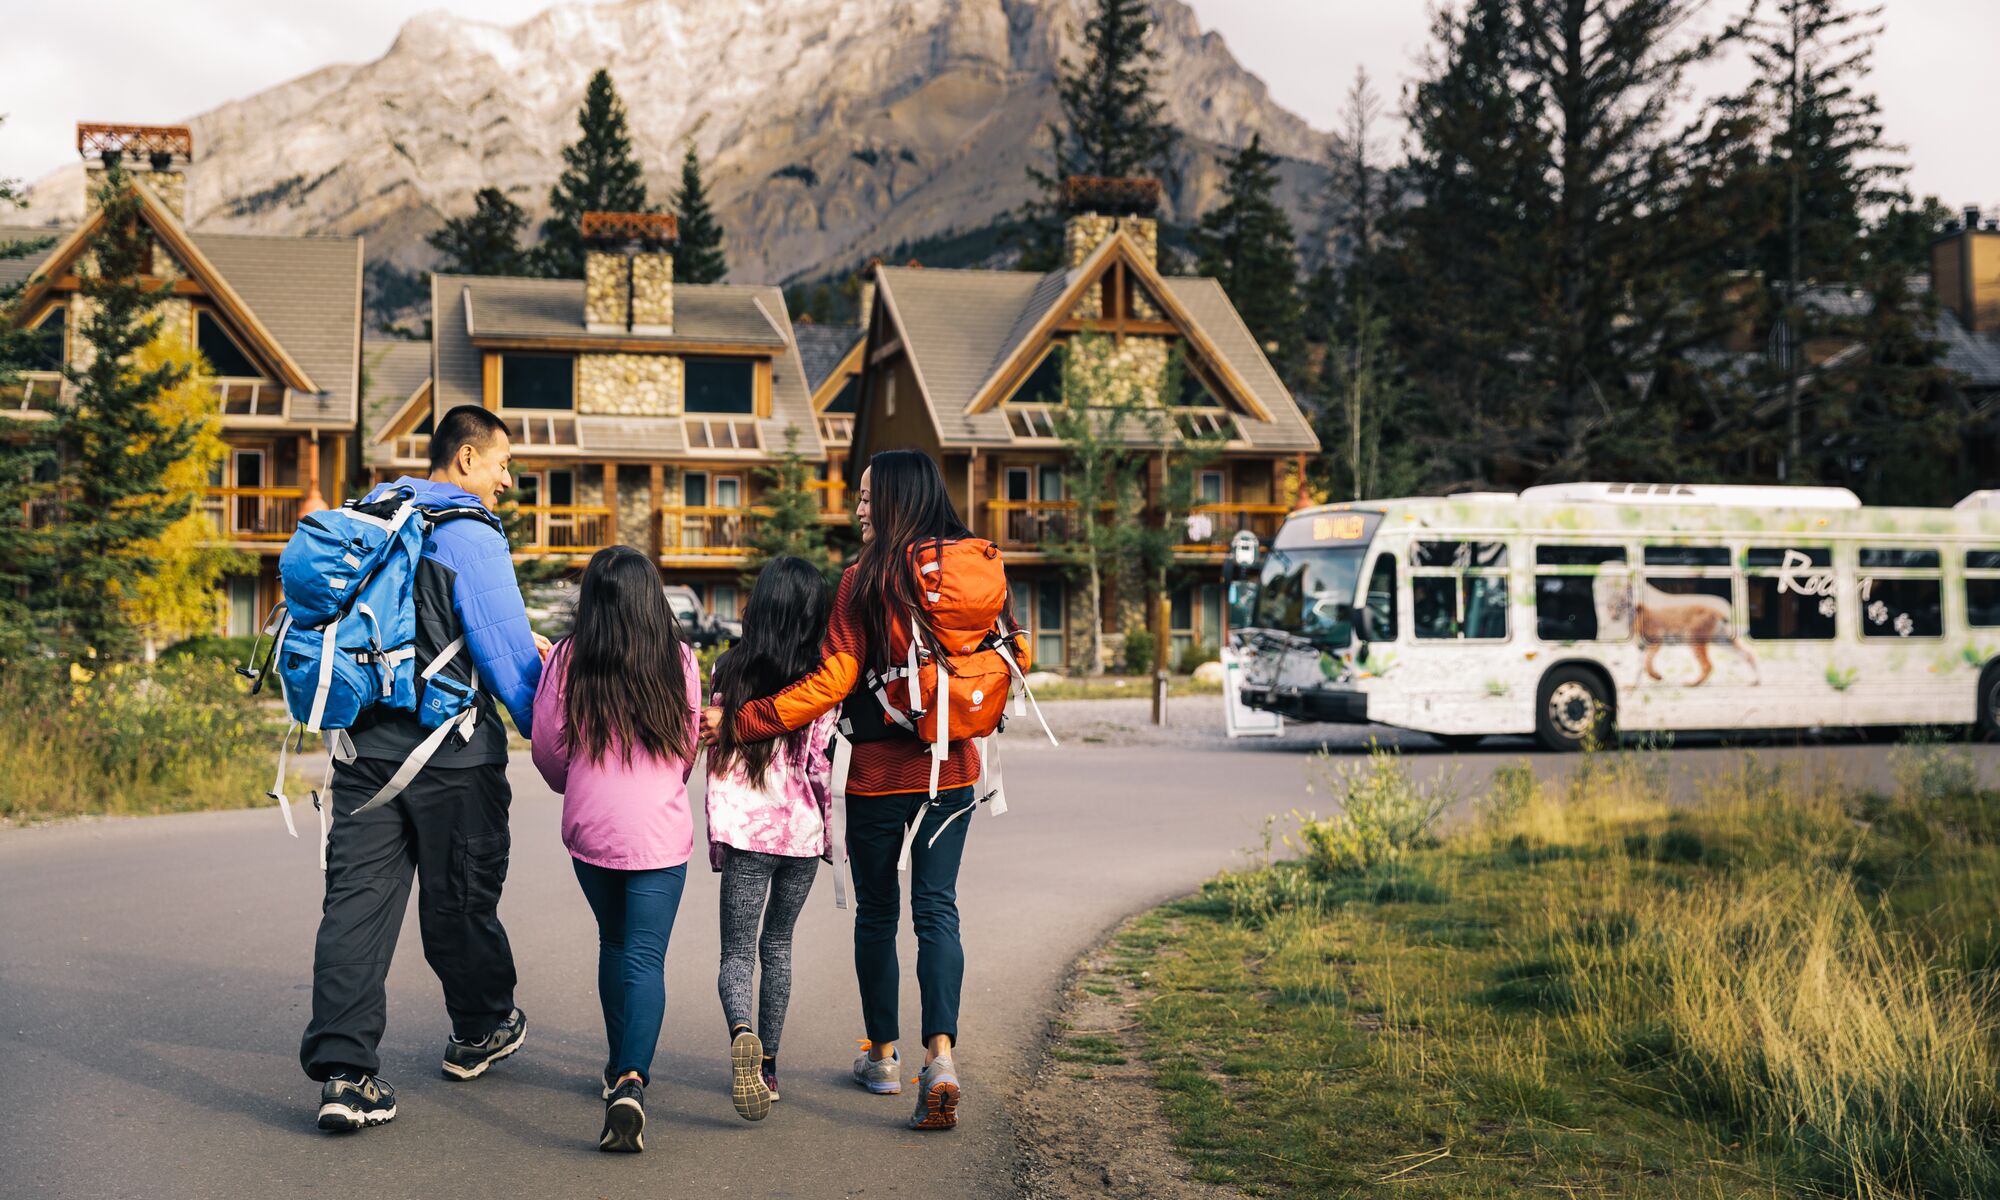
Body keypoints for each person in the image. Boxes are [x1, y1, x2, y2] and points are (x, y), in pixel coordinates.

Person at [702, 448, 1000, 1131]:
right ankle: (943, 1057)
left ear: (895, 499)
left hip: (877, 778)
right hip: (953, 771)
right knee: (938, 911)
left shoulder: (863, 579)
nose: (858, 509)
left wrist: (746, 721)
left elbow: (833, 681)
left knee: (878, 914)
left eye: (867, 498)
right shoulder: (976, 567)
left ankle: (886, 1057)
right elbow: (1012, 653)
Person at [302, 404, 549, 1132]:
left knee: (355, 908)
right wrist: (566, 749)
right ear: (466, 459)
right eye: (503, 463)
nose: (508, 480)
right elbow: (510, 662)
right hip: (454, 759)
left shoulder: (373, 514)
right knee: (461, 899)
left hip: (360, 752)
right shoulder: (468, 535)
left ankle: (345, 1078)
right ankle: (480, 1028)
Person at [531, 544, 702, 1154]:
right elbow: (686, 746)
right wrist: (658, 790)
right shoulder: (678, 658)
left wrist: (574, 784)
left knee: (613, 941)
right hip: (657, 831)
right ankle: (631, 1078)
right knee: (645, 957)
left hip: (592, 828)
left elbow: (548, 750)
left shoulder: (568, 660)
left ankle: (614, 1068)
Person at [703, 555, 837, 1122]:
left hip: (747, 834)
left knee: (737, 951)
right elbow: (820, 767)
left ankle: (741, 1036)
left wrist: (717, 837)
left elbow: (714, 757)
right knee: (777, 947)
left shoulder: (727, 671)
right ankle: (771, 1067)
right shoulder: (819, 682)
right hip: (799, 837)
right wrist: (828, 835)